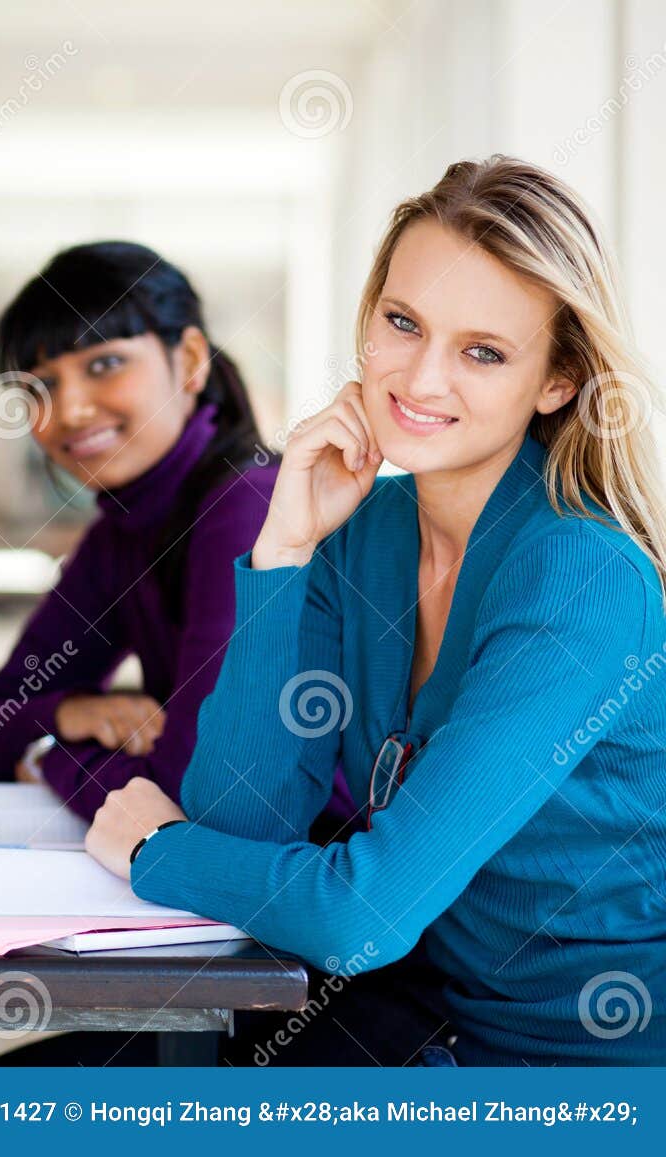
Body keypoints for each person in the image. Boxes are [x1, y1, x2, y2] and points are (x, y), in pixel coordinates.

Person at [87, 156, 666, 1065]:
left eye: (483, 352)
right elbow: (244, 824)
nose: (422, 379)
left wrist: (155, 846)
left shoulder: (580, 577)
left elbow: (362, 914)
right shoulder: (364, 532)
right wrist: (284, 547)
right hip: (413, 1024)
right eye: (403, 323)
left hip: (572, 1072)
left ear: (555, 382)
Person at [0, 241, 355, 827]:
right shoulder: (122, 532)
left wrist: (44, 757)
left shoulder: (249, 505)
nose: (72, 410)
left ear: (189, 361)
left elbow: (186, 794)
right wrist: (68, 713)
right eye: (41, 387)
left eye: (104, 365)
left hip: (318, 875)